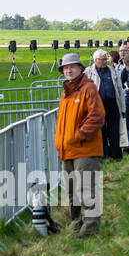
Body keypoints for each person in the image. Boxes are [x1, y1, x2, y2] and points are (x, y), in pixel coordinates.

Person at [54, 53, 105, 237]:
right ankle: (77, 220)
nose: (68, 70)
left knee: (87, 188)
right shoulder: (66, 92)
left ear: (80, 68)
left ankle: (90, 227)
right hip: (67, 149)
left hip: (85, 148)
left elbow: (97, 116)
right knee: (72, 189)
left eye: (72, 67)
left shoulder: (88, 88)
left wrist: (79, 135)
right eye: (65, 68)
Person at [85, 50, 127, 161]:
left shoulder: (112, 70)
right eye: (102, 60)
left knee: (114, 130)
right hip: (97, 105)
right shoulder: (88, 72)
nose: (105, 62)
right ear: (95, 60)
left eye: (105, 59)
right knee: (101, 130)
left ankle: (116, 155)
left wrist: (122, 107)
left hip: (112, 103)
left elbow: (119, 89)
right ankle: (103, 154)